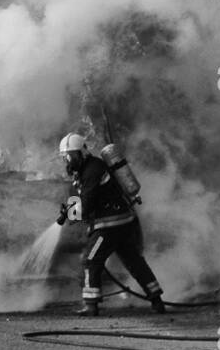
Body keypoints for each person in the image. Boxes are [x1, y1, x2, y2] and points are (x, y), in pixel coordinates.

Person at [56, 133, 165, 316]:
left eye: (71, 155)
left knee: (91, 260)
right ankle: (156, 300)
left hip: (109, 226)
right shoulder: (81, 171)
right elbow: (79, 200)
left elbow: (88, 202)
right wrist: (69, 212)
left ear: (81, 153)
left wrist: (73, 212)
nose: (68, 160)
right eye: (66, 156)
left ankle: (91, 305)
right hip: (122, 223)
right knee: (134, 261)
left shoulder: (93, 169)